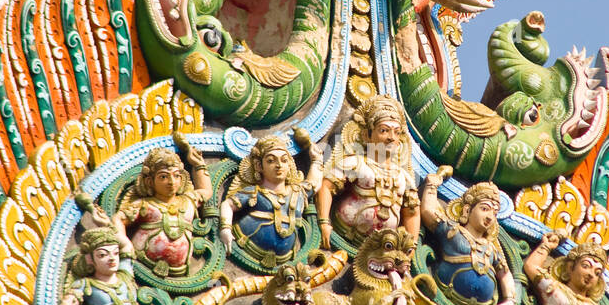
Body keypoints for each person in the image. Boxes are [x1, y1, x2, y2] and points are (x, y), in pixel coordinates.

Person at [317, 94, 419, 247]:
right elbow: (326, 187)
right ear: (367, 135)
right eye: (384, 131)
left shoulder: (404, 177)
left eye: (397, 132)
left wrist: (411, 245)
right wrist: (324, 222)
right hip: (346, 238)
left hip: (384, 250)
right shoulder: (354, 163)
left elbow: (412, 212)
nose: (391, 137)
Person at [421, 172, 515, 305]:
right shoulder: (453, 232)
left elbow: (505, 274)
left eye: (495, 213)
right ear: (467, 210)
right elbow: (428, 212)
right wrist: (432, 186)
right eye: (484, 209)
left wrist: (510, 300)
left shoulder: (491, 248)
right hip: (445, 301)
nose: (490, 217)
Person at [220, 131, 321, 267]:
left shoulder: (297, 192)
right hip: (248, 246)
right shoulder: (255, 192)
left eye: (284, 160)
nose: (279, 165)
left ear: (290, 165)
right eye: (271, 161)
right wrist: (225, 229)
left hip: (286, 259)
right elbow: (227, 204)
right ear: (259, 166)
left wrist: (317, 160)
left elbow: (314, 183)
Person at [114, 142, 211, 277]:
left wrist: (198, 164)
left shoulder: (187, 201)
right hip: (143, 264)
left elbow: (205, 191)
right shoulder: (145, 205)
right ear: (149, 181)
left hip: (180, 271)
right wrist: (124, 243)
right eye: (163, 177)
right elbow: (118, 218)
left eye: (176, 175)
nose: (171, 182)